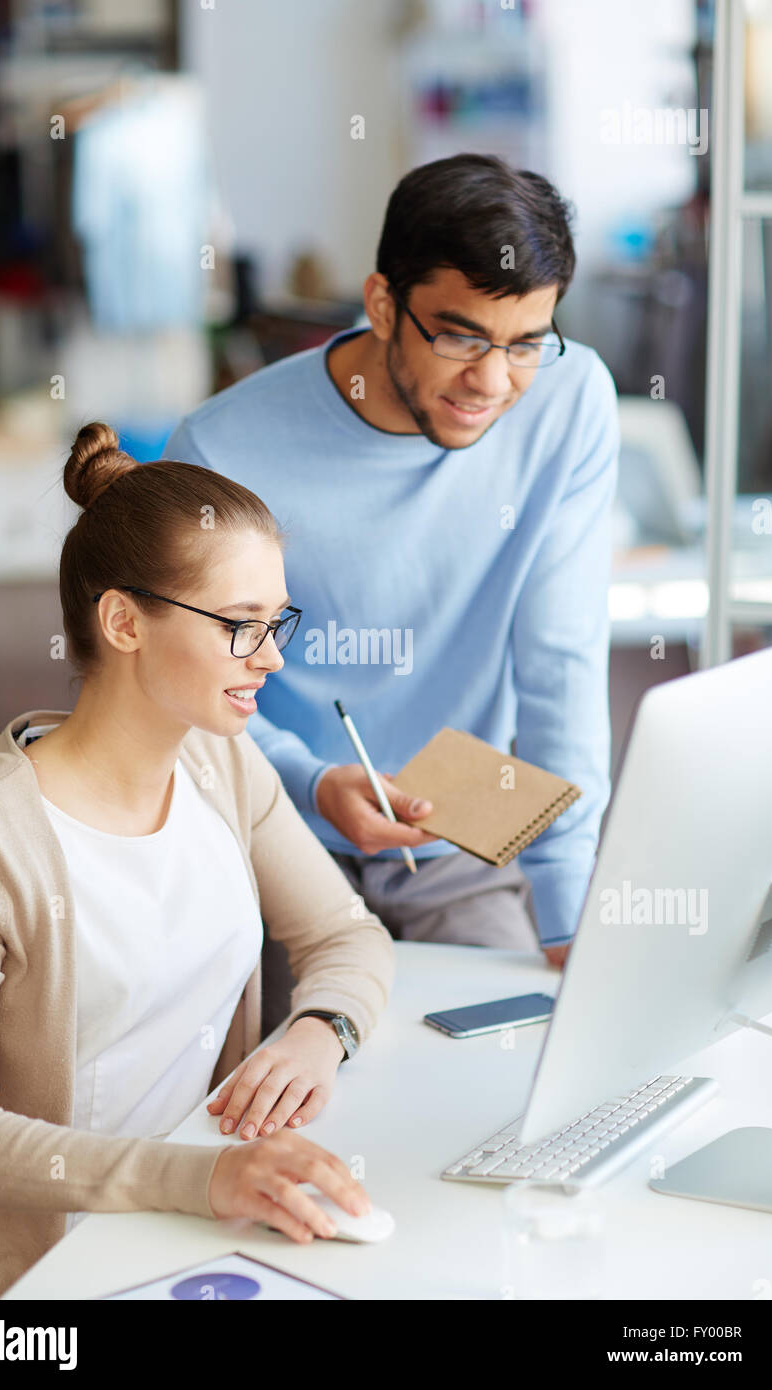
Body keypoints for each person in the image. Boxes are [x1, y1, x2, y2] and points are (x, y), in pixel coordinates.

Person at [0, 423, 394, 1300]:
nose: (273, 656)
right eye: (240, 625)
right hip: (32, 1284)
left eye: (276, 621)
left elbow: (346, 935)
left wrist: (317, 1034)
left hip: (185, 1243)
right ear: (122, 622)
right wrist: (196, 1179)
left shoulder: (221, 764)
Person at [163, 154, 620, 978]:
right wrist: (310, 783)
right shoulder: (225, 448)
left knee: (513, 1066)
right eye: (459, 336)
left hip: (458, 836)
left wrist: (567, 906)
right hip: (273, 831)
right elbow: (195, 691)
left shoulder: (571, 400)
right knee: (288, 1079)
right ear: (383, 305)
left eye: (525, 344)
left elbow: (562, 662)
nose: (491, 382)